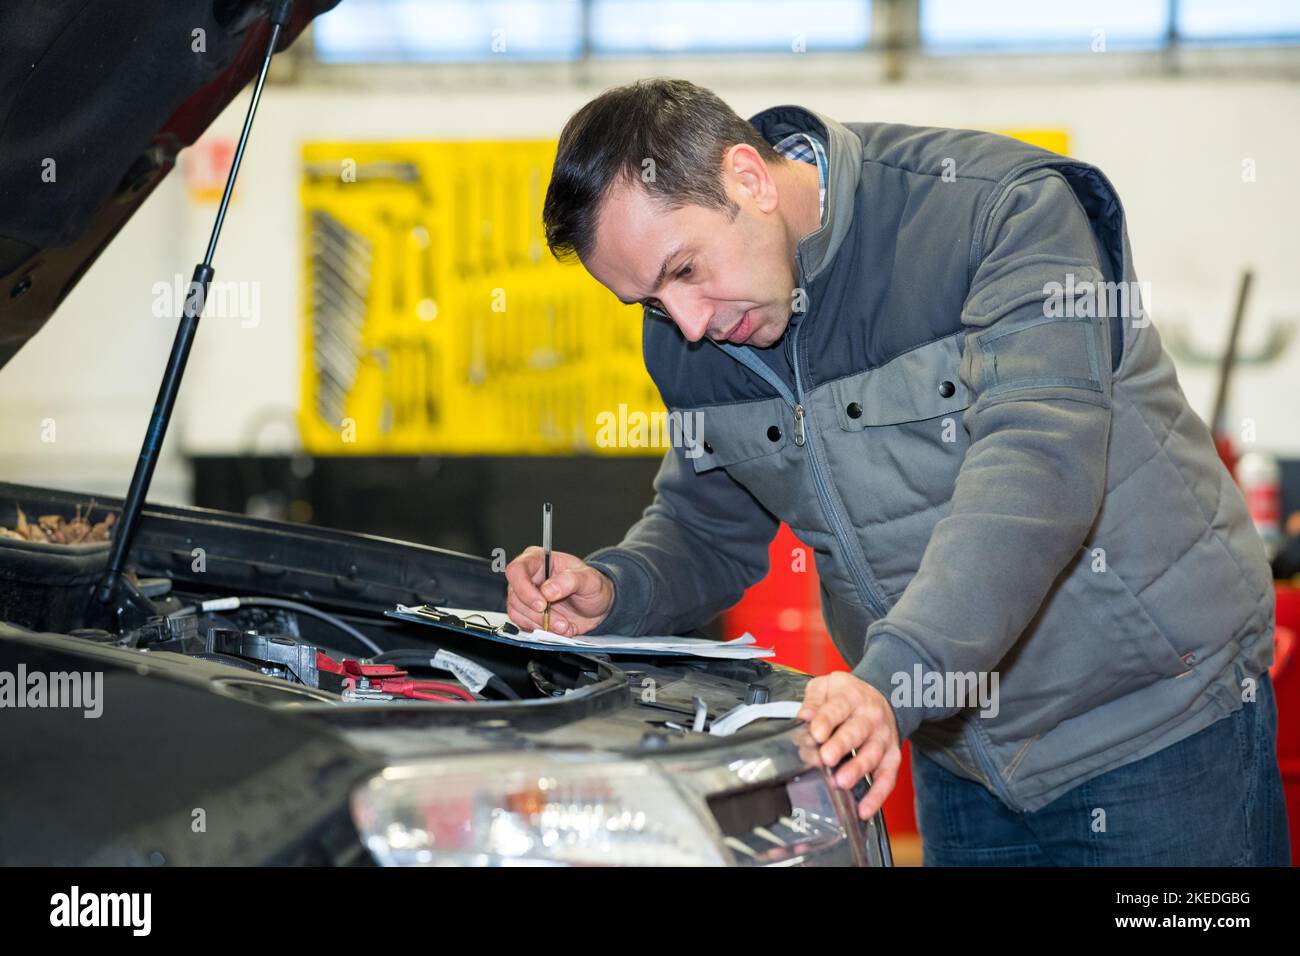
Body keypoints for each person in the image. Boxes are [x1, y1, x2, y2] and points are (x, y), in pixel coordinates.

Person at [504, 78, 1288, 865]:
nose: (689, 324)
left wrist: (892, 677)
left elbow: (1037, 470)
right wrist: (615, 591)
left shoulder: (998, 214)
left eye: (684, 269)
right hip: (957, 751)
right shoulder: (697, 335)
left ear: (747, 177)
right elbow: (707, 528)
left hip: (1159, 725)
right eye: (647, 301)